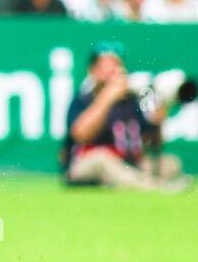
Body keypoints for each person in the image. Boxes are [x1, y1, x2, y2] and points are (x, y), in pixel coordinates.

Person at [63, 42, 191, 190]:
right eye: (107, 65)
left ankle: (132, 182)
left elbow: (152, 143)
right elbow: (81, 134)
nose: (114, 70)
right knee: (102, 160)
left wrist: (158, 119)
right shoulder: (83, 99)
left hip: (126, 163)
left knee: (171, 163)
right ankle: (154, 187)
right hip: (86, 164)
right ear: (93, 71)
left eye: (117, 64)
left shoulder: (131, 101)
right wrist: (108, 97)